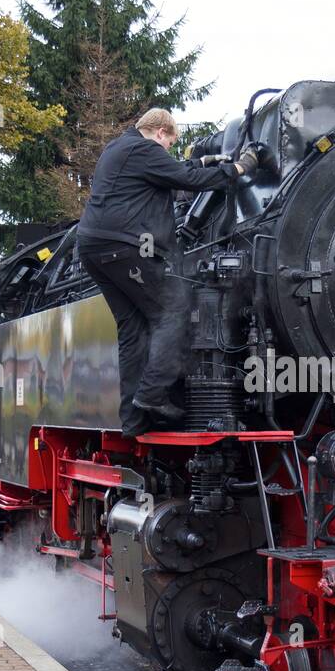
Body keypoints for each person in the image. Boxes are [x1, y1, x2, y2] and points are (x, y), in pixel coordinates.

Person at [77, 107, 260, 437]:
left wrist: (204, 161)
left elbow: (173, 171)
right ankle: (151, 396)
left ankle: (133, 420)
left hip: (95, 249)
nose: (170, 148)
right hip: (126, 246)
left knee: (133, 329)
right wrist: (237, 168)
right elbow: (187, 179)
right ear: (161, 132)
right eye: (171, 142)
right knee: (173, 311)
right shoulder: (144, 148)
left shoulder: (118, 149)